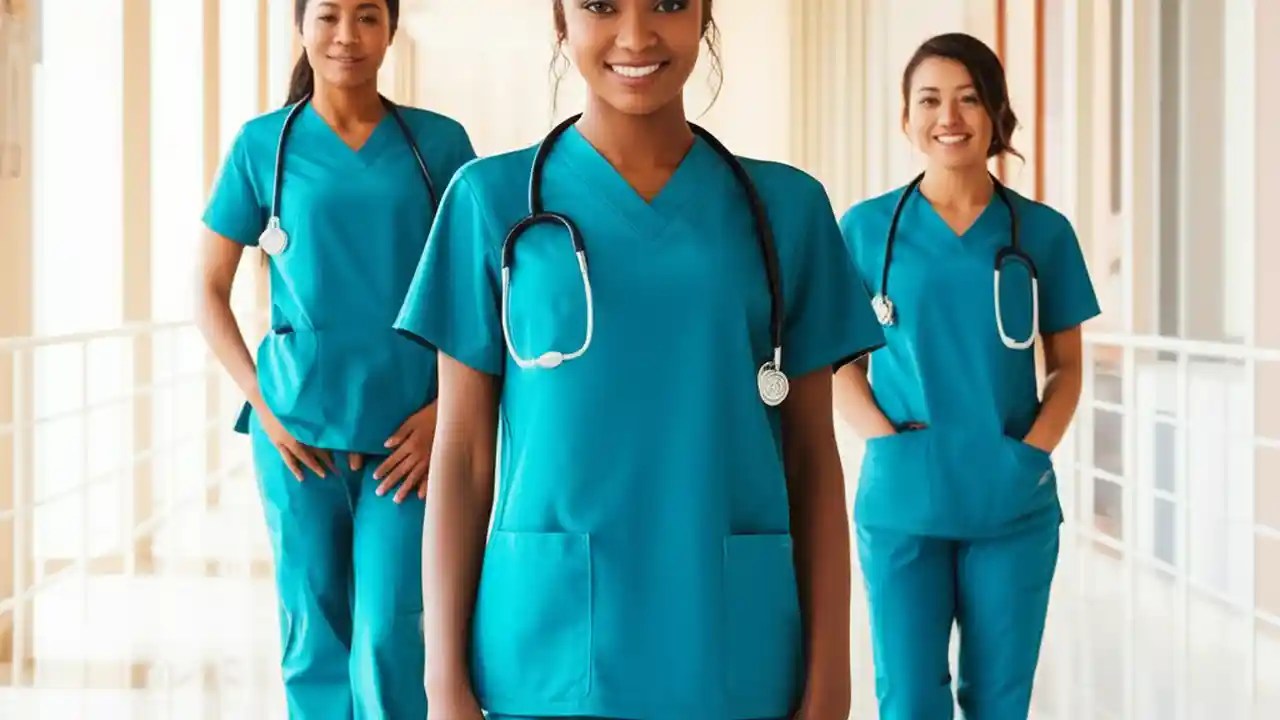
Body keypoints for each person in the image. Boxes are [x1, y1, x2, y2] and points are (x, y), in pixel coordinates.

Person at [392, 1, 884, 718]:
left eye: (668, 4)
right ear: (561, 18)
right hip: (547, 654)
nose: (635, 34)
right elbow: (463, 456)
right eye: (599, 5)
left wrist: (830, 679)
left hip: (729, 649)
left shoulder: (788, 210)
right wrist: (442, 682)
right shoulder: (487, 204)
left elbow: (812, 461)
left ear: (706, 14)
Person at [193, 0, 476, 716]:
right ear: (301, 26)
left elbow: (481, 294)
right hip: (295, 437)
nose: (346, 36)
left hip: (406, 442)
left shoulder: (438, 145)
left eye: (366, 17)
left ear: (390, 28)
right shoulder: (265, 146)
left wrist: (446, 412)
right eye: (328, 16)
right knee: (312, 635)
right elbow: (206, 289)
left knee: (390, 634)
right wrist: (265, 407)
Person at [835, 32, 1101, 720]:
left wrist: (1030, 453)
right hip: (902, 499)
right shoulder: (866, 229)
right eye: (930, 100)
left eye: (968, 99)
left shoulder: (1042, 233)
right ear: (907, 118)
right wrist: (889, 444)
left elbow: (1067, 366)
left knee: (999, 698)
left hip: (1009, 499)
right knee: (910, 697)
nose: (948, 116)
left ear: (994, 115)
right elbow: (837, 363)